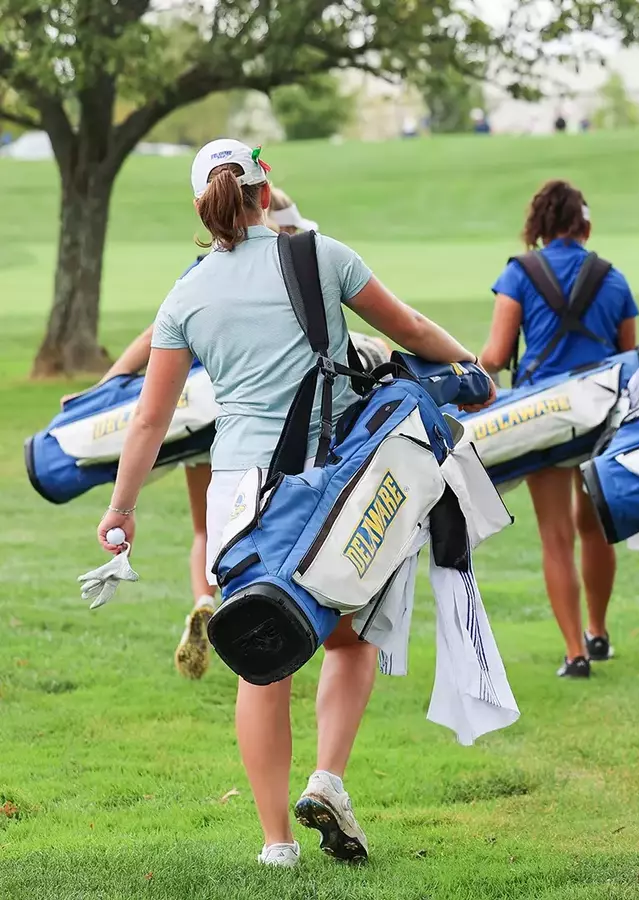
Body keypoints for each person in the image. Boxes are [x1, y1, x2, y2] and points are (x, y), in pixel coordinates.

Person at [95, 139, 489, 868]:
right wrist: (471, 364)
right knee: (353, 634)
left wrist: (122, 509)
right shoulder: (321, 255)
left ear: (202, 205)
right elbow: (408, 330)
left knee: (258, 653)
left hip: (240, 494)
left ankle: (277, 843)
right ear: (264, 189)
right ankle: (328, 777)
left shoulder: (186, 295)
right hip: (333, 479)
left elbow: (149, 420)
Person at [67, 186, 355, 681]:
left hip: (208, 423)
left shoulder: (200, 278)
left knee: (208, 527)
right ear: (266, 203)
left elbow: (151, 346)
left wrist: (106, 385)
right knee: (314, 566)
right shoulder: (310, 261)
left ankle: (207, 598)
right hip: (303, 440)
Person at [478, 179, 639, 679]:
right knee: (596, 530)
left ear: (539, 226)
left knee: (556, 537)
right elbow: (629, 359)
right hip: (600, 418)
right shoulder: (613, 278)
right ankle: (599, 629)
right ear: (584, 225)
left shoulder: (519, 273)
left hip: (543, 418)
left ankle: (574, 652)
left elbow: (497, 356)